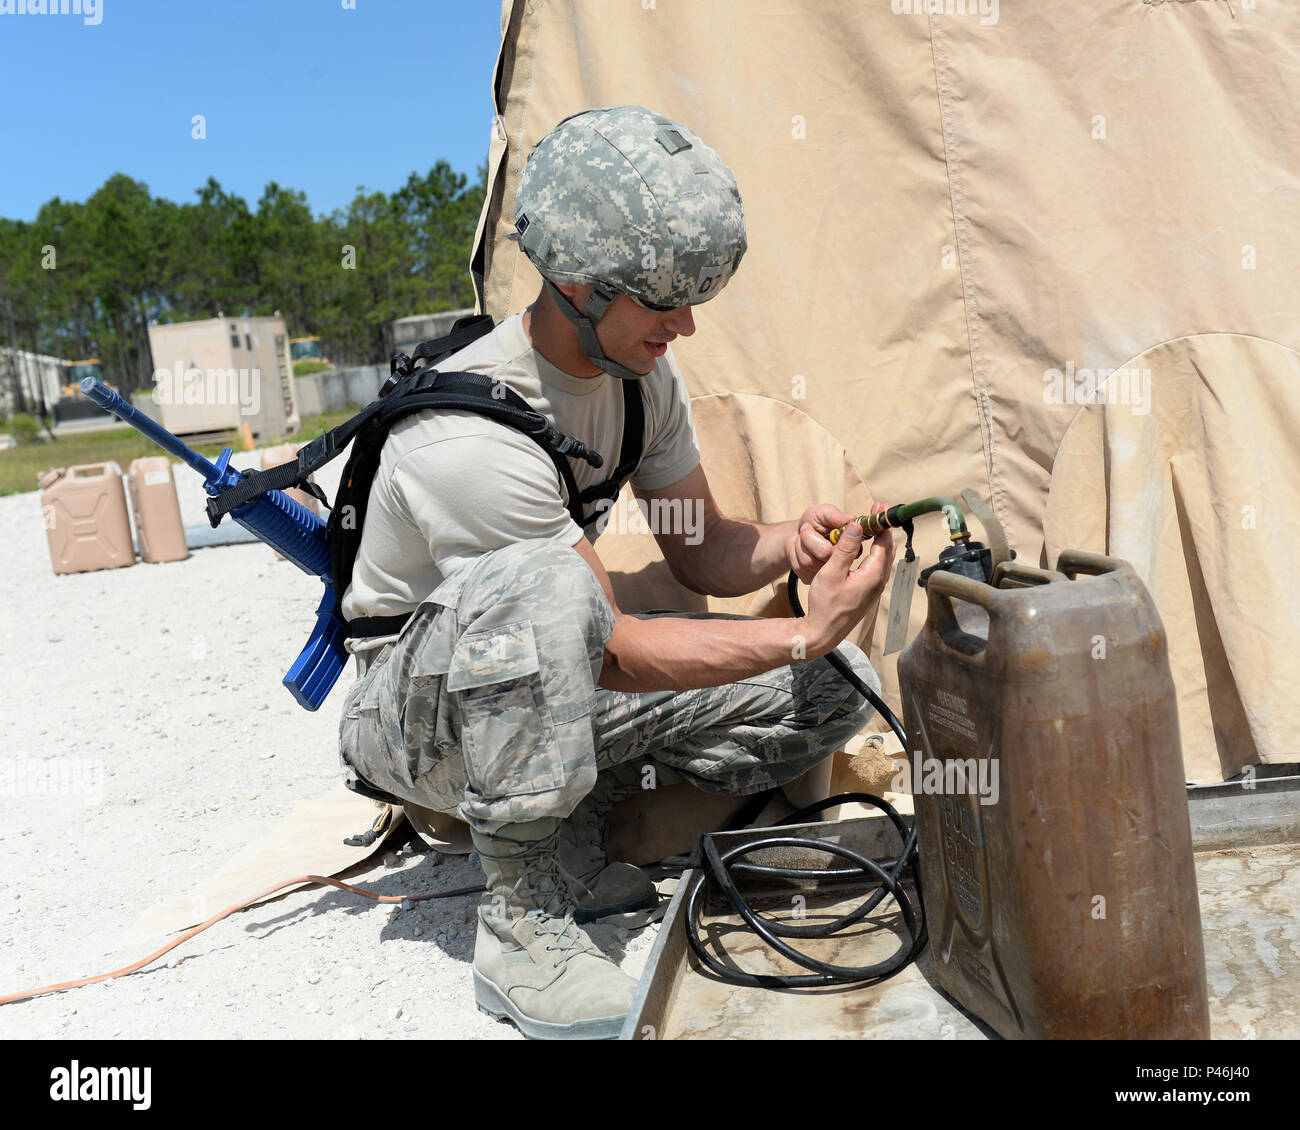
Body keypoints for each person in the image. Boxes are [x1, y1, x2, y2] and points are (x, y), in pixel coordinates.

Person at [337, 104, 896, 1040]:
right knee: (550, 590)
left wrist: (792, 543)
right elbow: (612, 648)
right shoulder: (468, 437)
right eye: (662, 297)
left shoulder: (638, 377)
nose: (684, 324)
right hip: (415, 716)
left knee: (837, 688)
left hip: (549, 668)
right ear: (575, 282)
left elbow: (705, 548)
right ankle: (524, 925)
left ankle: (577, 829)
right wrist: (803, 626)